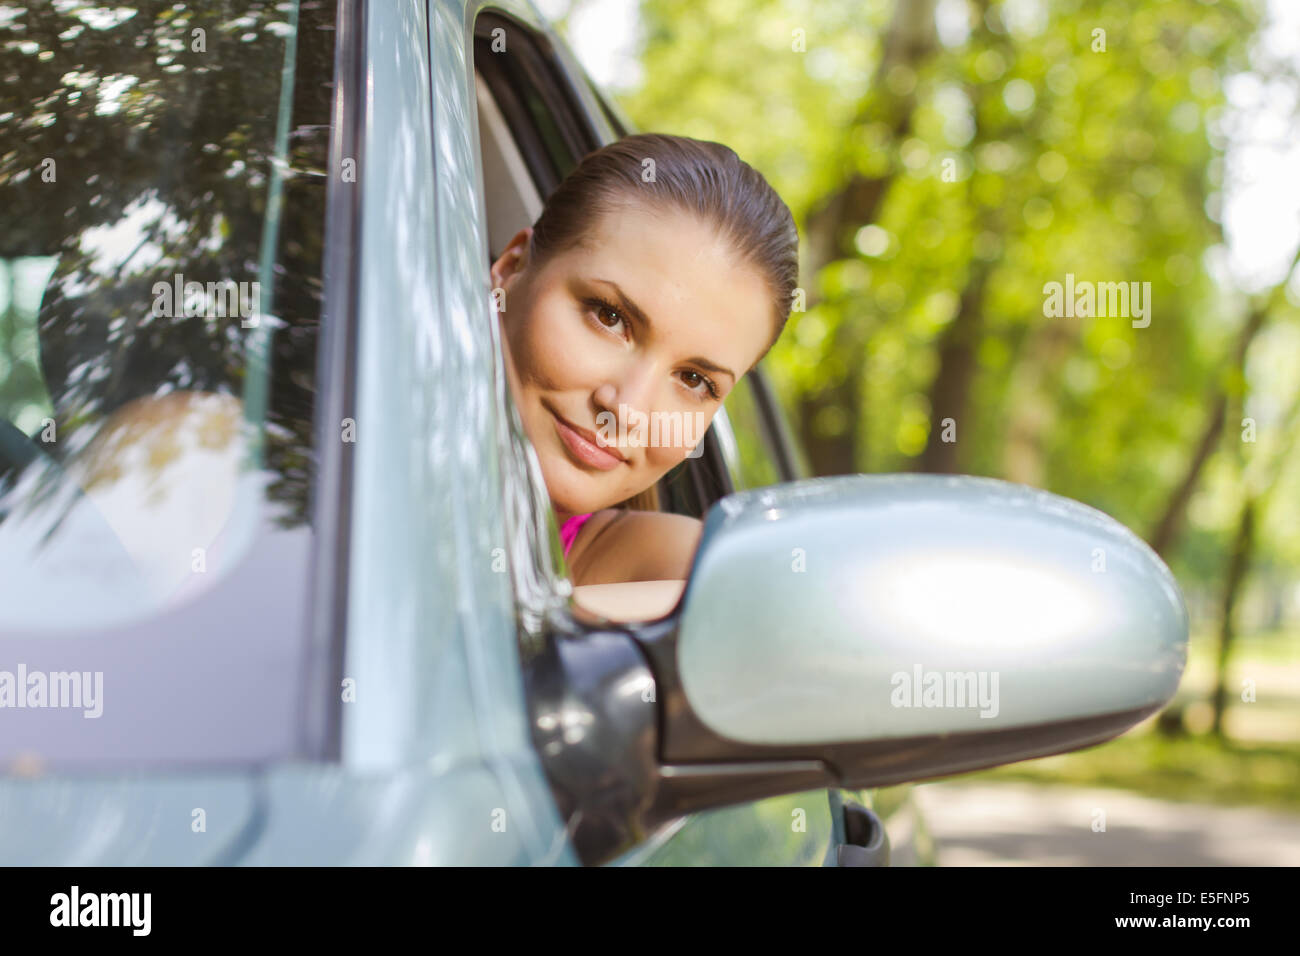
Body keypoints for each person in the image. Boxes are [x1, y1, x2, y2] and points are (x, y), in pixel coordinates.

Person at [490, 133, 798, 589]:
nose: (627, 409)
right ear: (511, 269)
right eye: (609, 317)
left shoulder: (659, 574)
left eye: (694, 379)